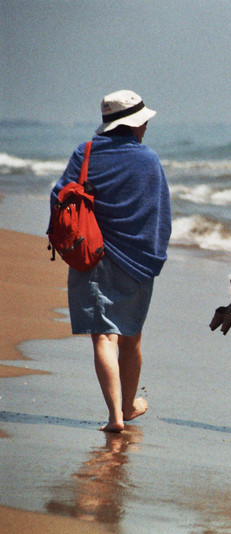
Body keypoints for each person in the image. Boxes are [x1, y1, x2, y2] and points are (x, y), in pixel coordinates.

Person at [51, 90, 171, 433]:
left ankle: (116, 416)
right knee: (131, 336)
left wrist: (66, 242)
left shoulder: (85, 152)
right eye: (143, 120)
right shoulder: (148, 159)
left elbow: (59, 196)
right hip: (138, 259)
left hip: (90, 254)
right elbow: (159, 212)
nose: (146, 125)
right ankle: (129, 406)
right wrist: (155, 255)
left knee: (104, 337)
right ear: (135, 124)